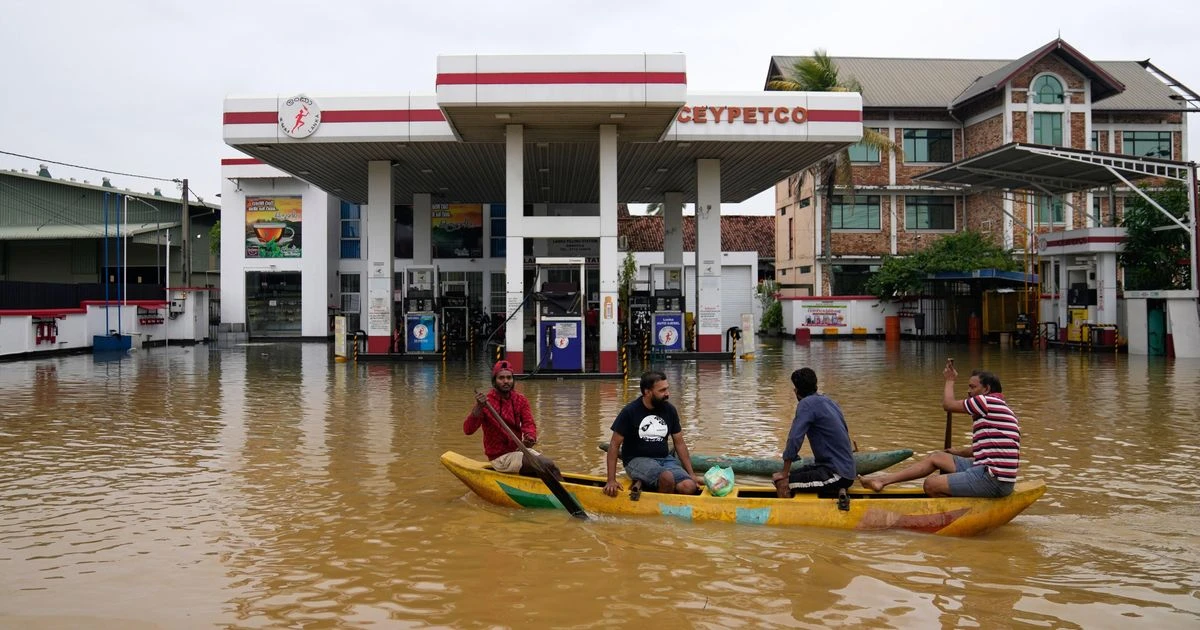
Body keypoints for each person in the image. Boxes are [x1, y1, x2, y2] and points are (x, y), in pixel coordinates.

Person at [860, 359, 1020, 497]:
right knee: (937, 457)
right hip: (988, 472)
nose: (969, 391)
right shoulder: (998, 407)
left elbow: (948, 405)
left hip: (993, 480)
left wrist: (950, 380)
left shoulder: (985, 402)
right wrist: (957, 453)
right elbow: (983, 449)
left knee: (931, 484)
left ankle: (958, 508)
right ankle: (882, 480)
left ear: (986, 389)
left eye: (973, 387)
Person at [603, 370, 702, 496]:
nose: (667, 394)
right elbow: (614, 445)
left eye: (667, 389)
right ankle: (660, 502)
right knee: (667, 478)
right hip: (636, 461)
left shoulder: (670, 410)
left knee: (689, 486)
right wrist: (611, 480)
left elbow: (680, 443)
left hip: (665, 459)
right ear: (647, 392)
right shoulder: (630, 412)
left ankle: (660, 491)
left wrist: (691, 474)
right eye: (662, 390)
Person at [463, 359, 562, 480]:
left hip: (519, 450)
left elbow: (528, 423)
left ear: (513, 380)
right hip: (500, 458)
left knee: (552, 467)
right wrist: (478, 407)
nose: (506, 381)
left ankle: (566, 489)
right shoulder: (486, 403)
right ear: (494, 381)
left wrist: (530, 437)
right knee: (546, 464)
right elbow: (468, 430)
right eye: (501, 378)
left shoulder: (520, 400)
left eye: (509, 378)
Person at [771, 368, 857, 498]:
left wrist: (784, 472)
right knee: (793, 475)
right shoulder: (830, 402)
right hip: (841, 470)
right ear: (815, 386)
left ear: (796, 391)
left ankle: (785, 509)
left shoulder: (806, 404)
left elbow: (794, 439)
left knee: (781, 482)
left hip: (837, 474)